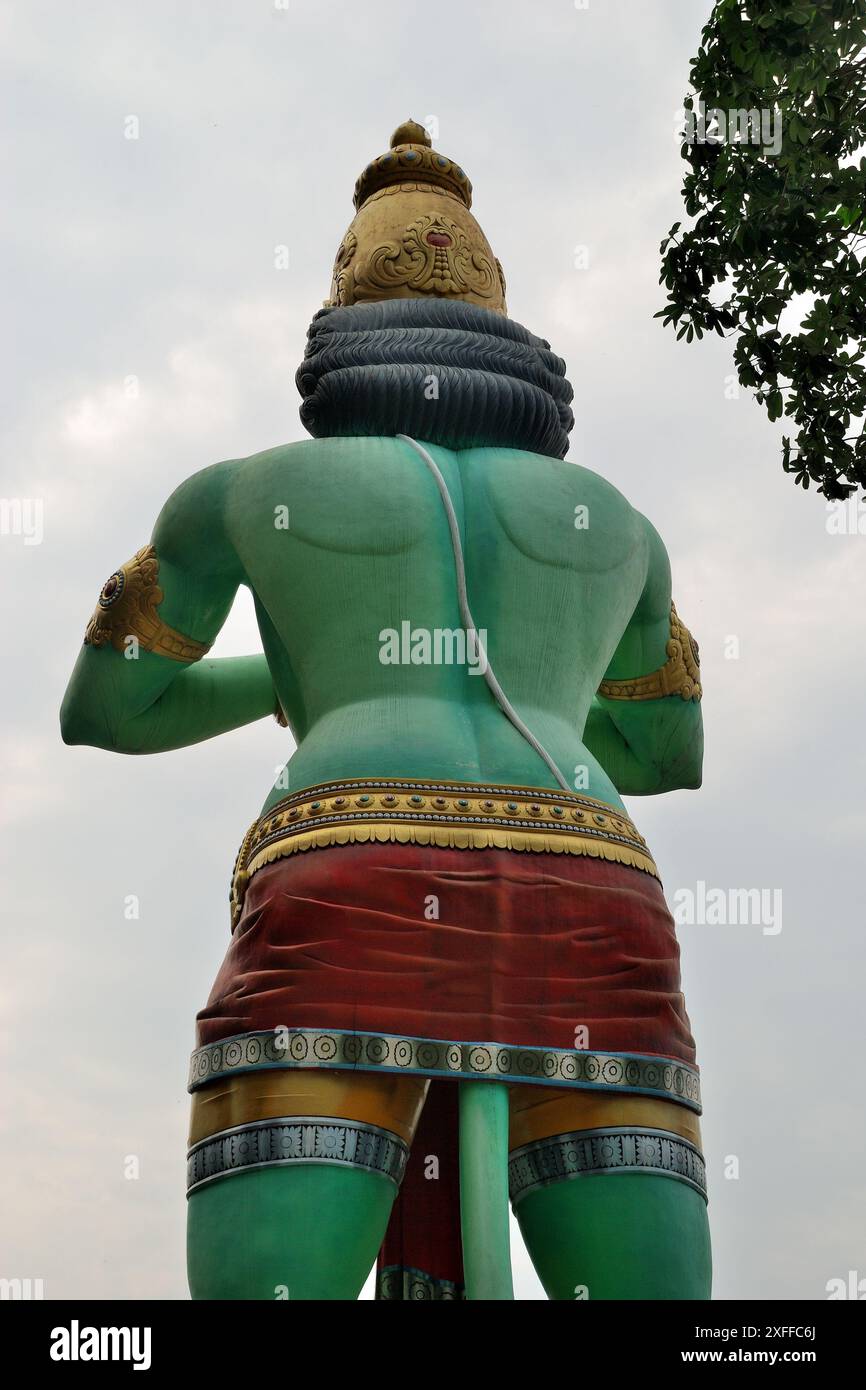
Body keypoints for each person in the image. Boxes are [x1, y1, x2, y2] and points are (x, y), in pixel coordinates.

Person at [61, 120, 709, 1300]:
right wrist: (545, 689)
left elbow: (106, 706)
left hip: (348, 859)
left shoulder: (249, 490)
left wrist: (307, 677)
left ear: (343, 312)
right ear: (504, 322)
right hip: (589, 882)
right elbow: (671, 751)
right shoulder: (616, 524)